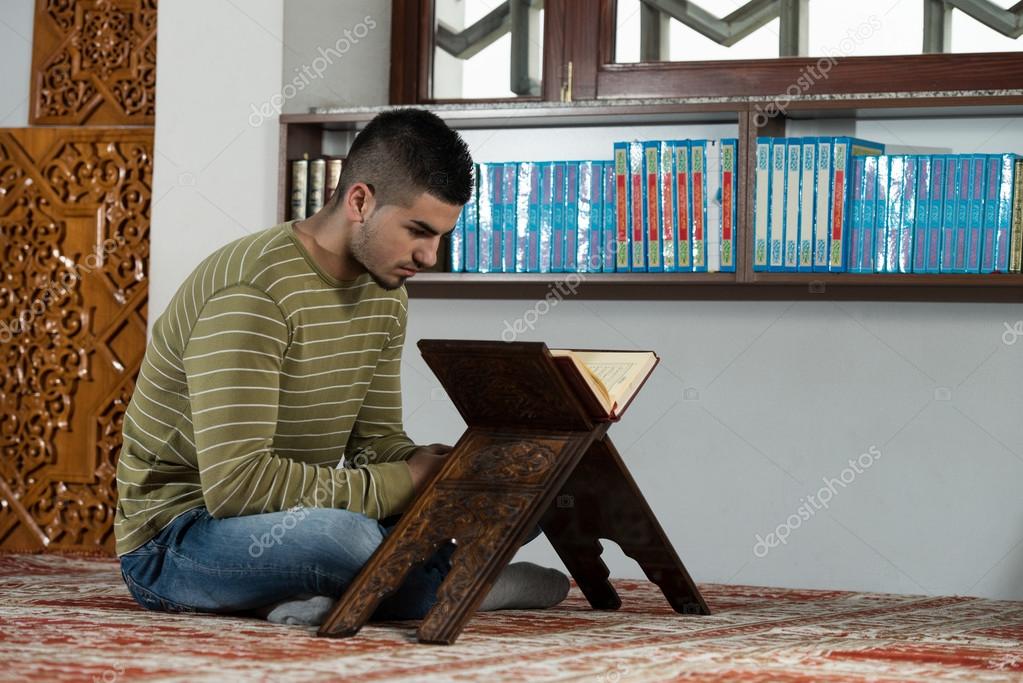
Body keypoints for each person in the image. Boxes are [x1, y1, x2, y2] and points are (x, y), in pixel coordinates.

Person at [115, 108, 570, 625]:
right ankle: (468, 582)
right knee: (342, 537)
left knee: (519, 488)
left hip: (282, 518)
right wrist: (406, 482)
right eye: (418, 230)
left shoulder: (385, 291)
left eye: (440, 236)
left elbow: (374, 443)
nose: (428, 256)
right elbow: (236, 486)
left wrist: (444, 471)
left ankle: (342, 592)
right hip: (179, 538)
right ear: (360, 200)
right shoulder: (254, 291)